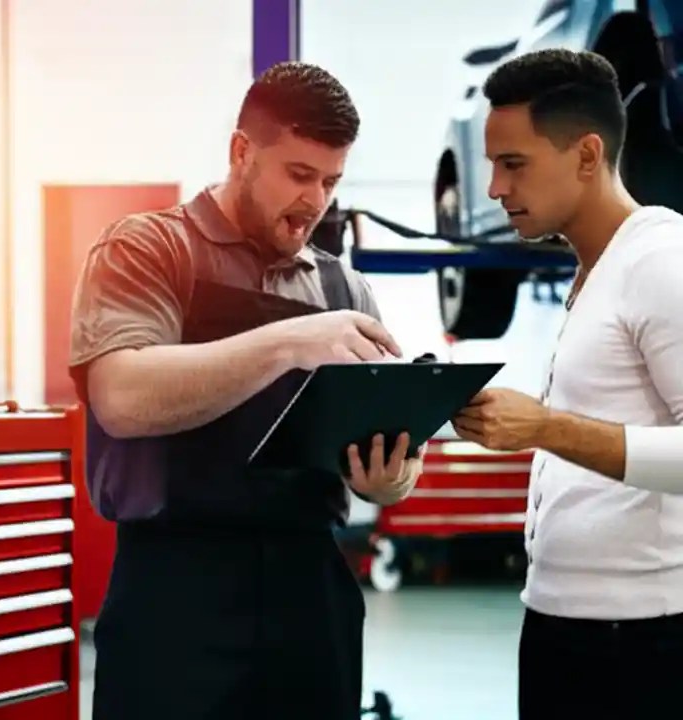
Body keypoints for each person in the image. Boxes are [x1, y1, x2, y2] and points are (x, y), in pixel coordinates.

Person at [68, 61, 424, 720]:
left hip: (311, 588)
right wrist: (292, 344)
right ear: (241, 152)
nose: (316, 201)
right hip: (176, 591)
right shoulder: (150, 250)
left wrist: (389, 479)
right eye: (298, 174)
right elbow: (121, 395)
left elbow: (389, 463)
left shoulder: (343, 287)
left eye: (331, 181)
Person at [450, 48, 683, 719]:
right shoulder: (594, 274)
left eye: (513, 164)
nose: (494, 189)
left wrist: (546, 428)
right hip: (560, 623)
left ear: (586, 155)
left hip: (641, 643)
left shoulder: (659, 262)